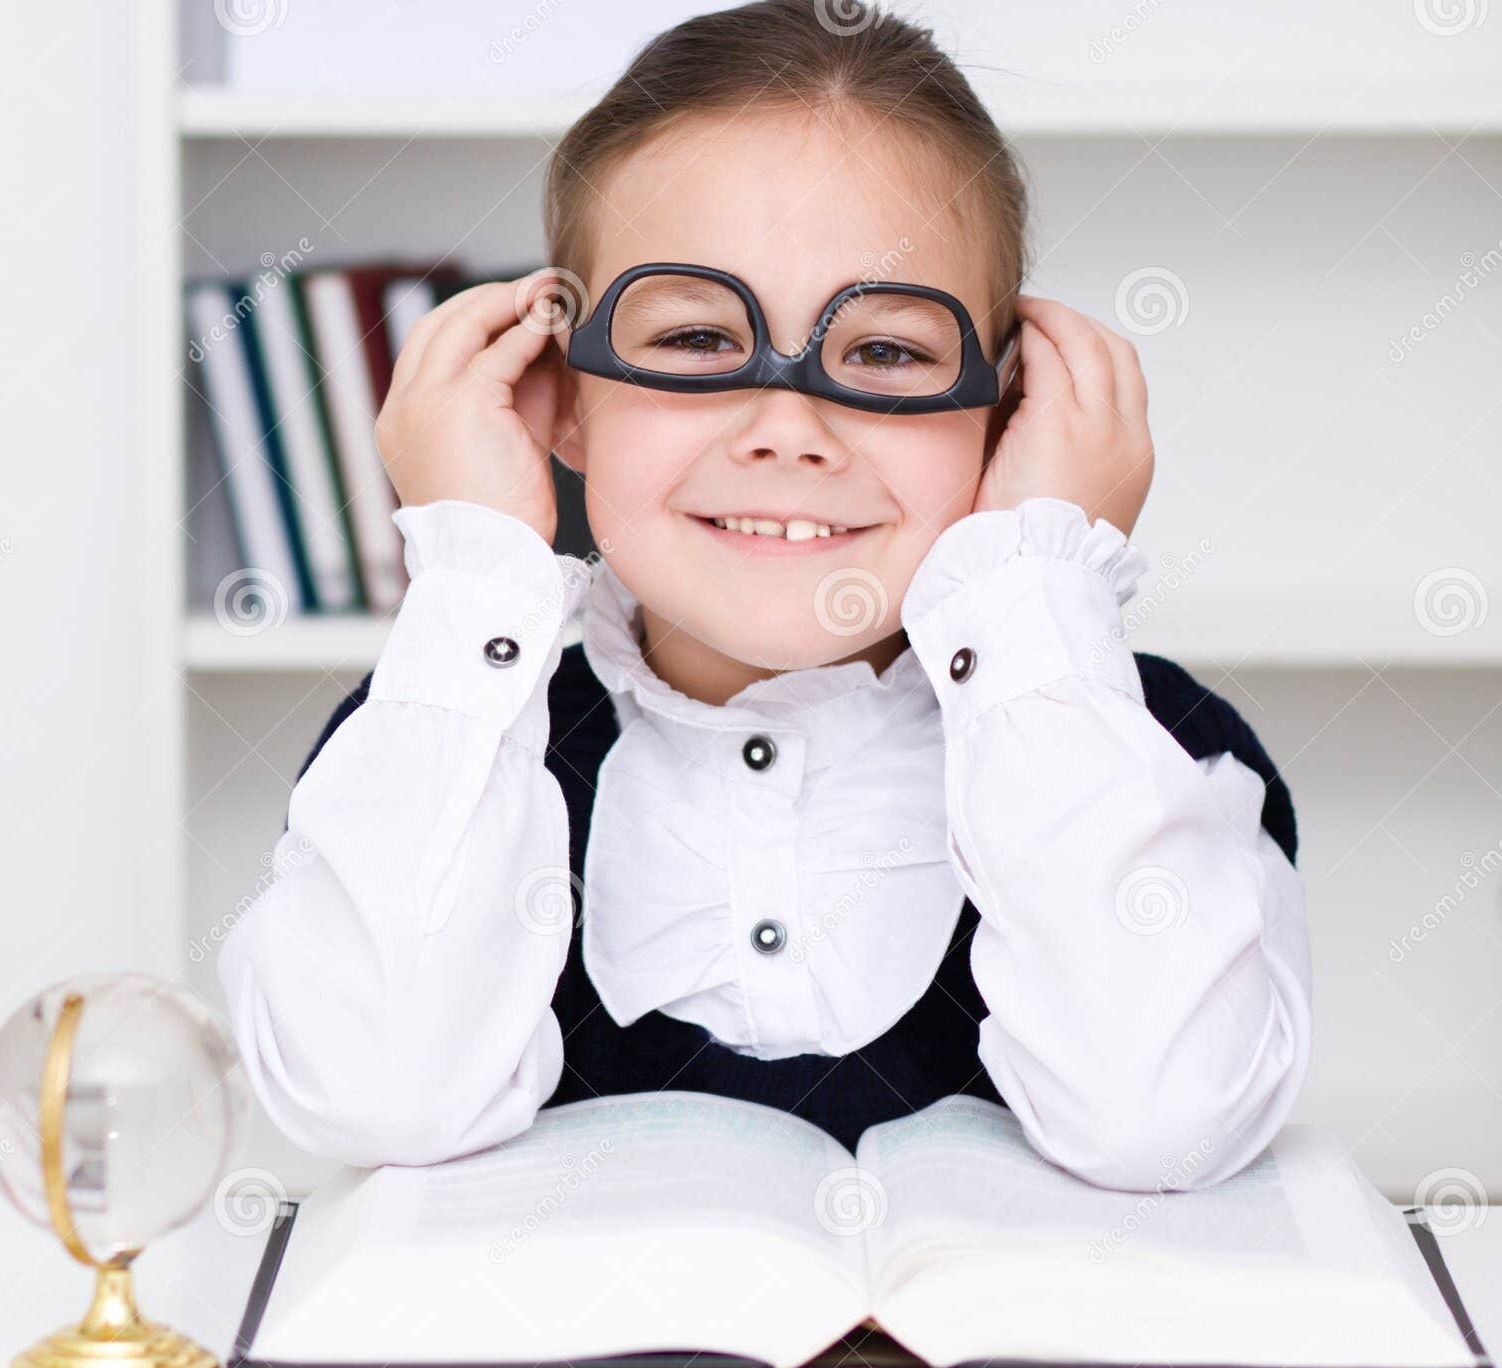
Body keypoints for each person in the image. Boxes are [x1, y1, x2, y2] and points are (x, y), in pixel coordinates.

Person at [218, 0, 1311, 1192]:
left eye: (887, 352)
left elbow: (1164, 1129)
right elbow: (380, 1105)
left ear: (1009, 410)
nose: (788, 429)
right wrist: (476, 566)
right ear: (560, 395)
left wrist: (1034, 587)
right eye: (693, 338)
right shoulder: (446, 744)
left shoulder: (1152, 758)